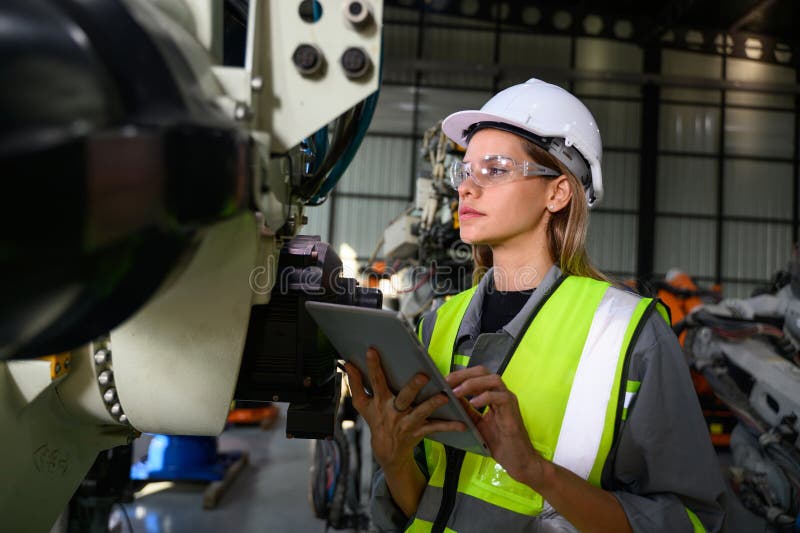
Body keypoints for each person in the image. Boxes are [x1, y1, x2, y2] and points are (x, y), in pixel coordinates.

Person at [344, 78, 727, 532]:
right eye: (465, 171)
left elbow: (690, 521)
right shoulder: (437, 325)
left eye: (497, 169)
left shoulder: (628, 336)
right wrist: (393, 457)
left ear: (558, 193)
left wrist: (536, 471)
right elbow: (425, 508)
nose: (466, 188)